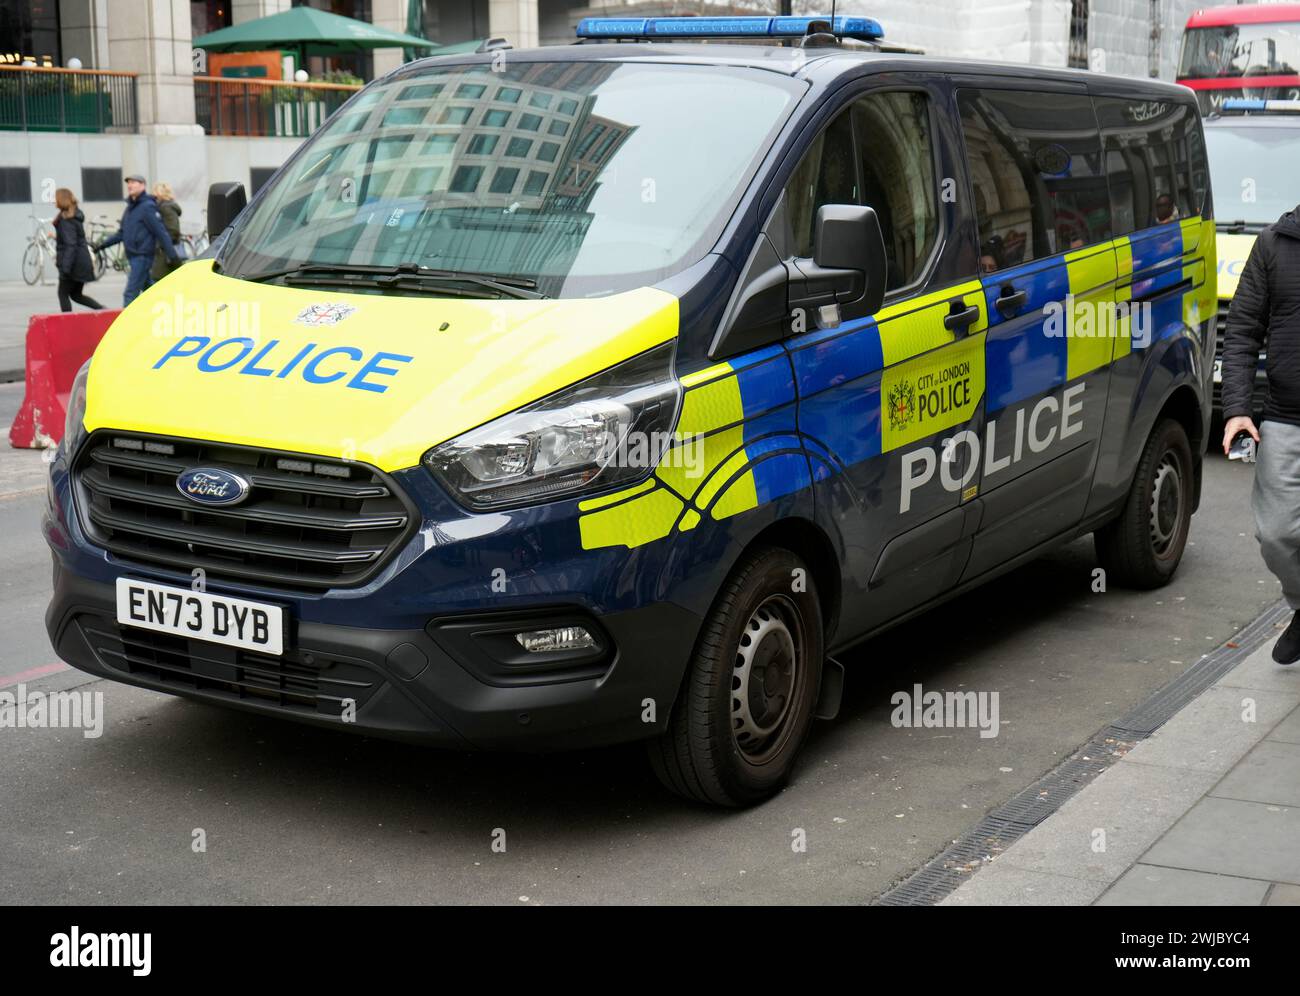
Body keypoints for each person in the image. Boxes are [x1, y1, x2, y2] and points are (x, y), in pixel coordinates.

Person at [1220, 203, 1300, 664]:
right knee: (1276, 536)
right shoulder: (1273, 242)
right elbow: (1243, 331)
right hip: (1286, 417)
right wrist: (1235, 409)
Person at [94, 174, 179, 306]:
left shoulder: (147, 207)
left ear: (143, 185)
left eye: (134, 182)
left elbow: (161, 232)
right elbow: (121, 233)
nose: (130, 185)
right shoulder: (130, 208)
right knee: (150, 291)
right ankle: (166, 310)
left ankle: (125, 326)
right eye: (128, 183)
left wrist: (173, 256)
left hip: (142, 256)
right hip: (133, 257)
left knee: (130, 294)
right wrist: (100, 246)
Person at [51, 188, 103, 313]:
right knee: (76, 295)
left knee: (62, 293)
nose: (54, 201)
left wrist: (65, 268)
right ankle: (103, 311)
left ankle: (67, 322)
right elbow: (73, 240)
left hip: (74, 264)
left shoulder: (66, 220)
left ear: (61, 200)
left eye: (55, 198)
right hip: (81, 261)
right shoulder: (74, 215)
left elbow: (71, 245)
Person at [150, 181, 183, 284]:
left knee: (159, 280)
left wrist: (161, 243)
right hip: (163, 251)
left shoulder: (166, 207)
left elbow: (173, 230)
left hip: (164, 253)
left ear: (160, 193)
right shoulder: (163, 207)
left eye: (154, 191)